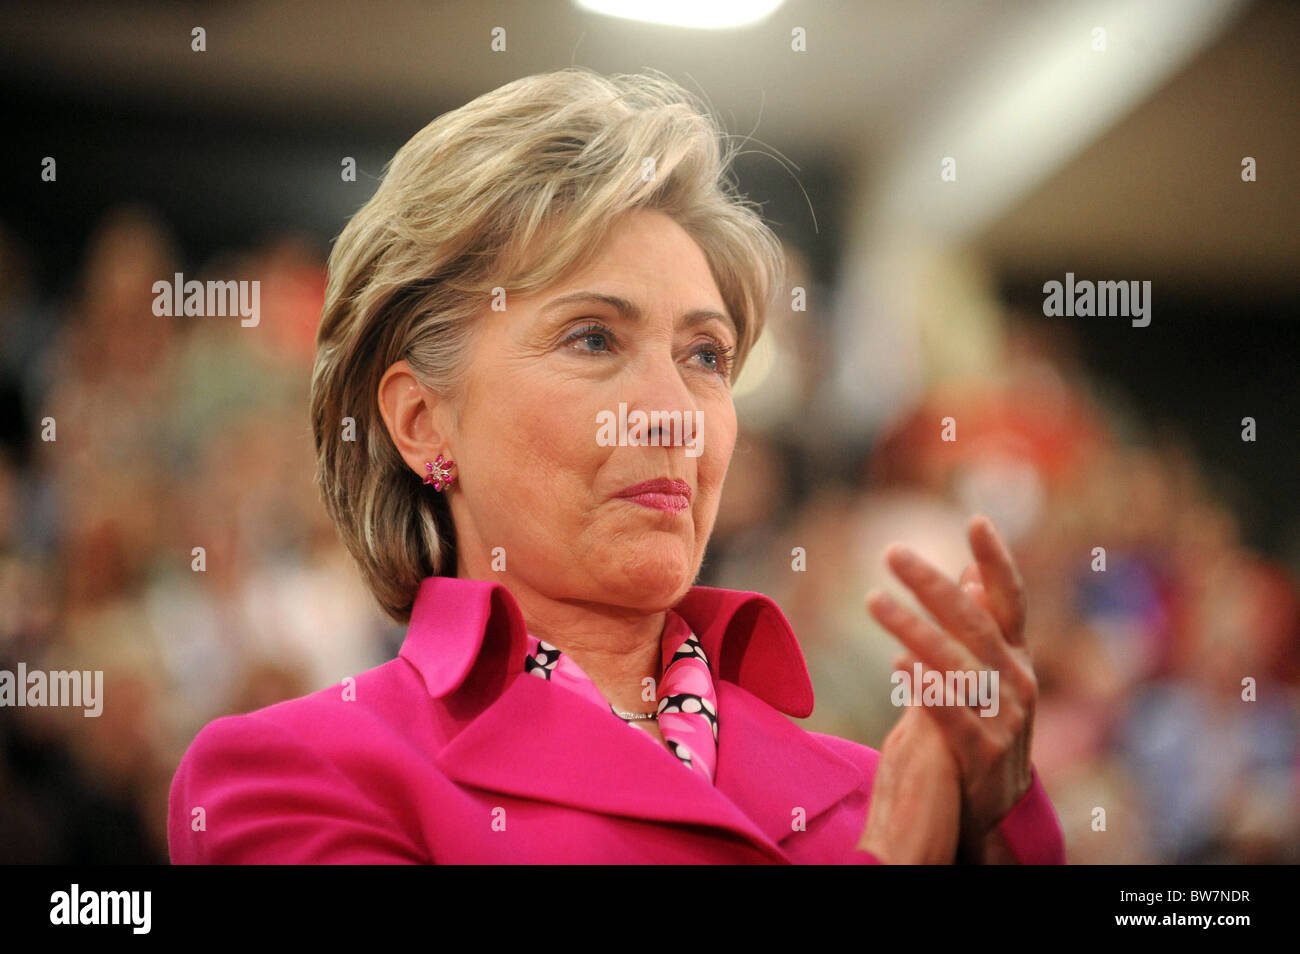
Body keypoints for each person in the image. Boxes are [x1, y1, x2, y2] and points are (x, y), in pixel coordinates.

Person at [168, 67, 1064, 864]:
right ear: (420, 421)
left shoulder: (888, 797)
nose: (673, 414)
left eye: (706, 356)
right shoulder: (295, 775)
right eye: (593, 338)